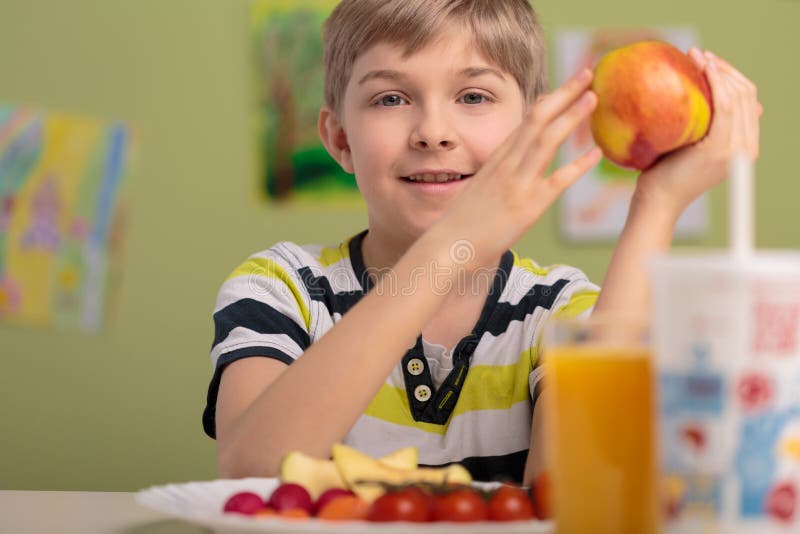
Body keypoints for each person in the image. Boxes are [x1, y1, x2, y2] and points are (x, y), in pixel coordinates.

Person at [203, 0, 761, 484]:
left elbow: (571, 493)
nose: (433, 130)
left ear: (532, 129)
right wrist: (456, 243)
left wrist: (656, 206)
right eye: (391, 99)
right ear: (340, 140)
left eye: (473, 96)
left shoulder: (561, 312)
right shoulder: (282, 288)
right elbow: (253, 466)